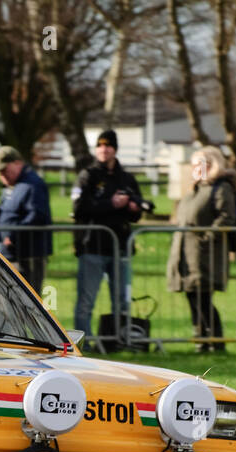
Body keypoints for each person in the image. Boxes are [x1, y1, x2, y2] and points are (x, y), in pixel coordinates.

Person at [72, 129, 144, 349]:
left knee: (122, 300)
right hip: (93, 246)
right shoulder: (88, 175)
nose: (104, 149)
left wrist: (133, 207)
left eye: (108, 145)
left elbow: (138, 211)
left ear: (115, 149)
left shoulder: (126, 178)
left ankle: (118, 341)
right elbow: (79, 207)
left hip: (120, 247)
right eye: (100, 145)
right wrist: (110, 204)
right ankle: (83, 344)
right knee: (86, 301)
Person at [166, 145, 234, 353]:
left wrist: (206, 237)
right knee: (192, 297)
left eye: (199, 164)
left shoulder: (221, 189)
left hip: (205, 255)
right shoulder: (194, 190)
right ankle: (201, 338)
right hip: (186, 253)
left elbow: (226, 217)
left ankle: (215, 340)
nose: (194, 168)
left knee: (203, 298)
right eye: (193, 164)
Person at [0, 145, 52, 293]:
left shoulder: (33, 185)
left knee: (26, 302)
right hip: (10, 253)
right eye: (0, 172)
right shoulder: (13, 186)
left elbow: (37, 216)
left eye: (5, 170)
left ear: (18, 163)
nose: (2, 175)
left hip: (28, 255)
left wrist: (13, 236)